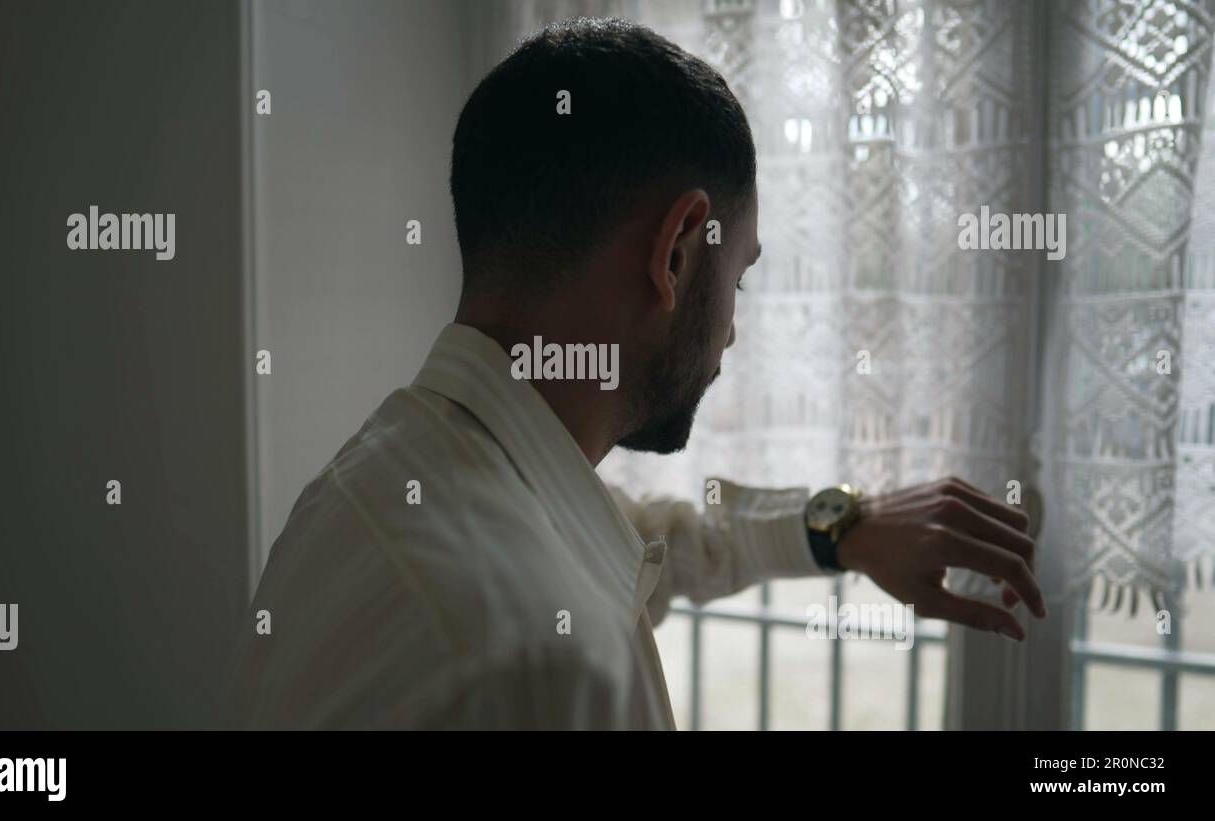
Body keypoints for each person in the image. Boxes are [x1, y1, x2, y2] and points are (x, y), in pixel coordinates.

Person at [221, 17, 1045, 730]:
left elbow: (651, 540)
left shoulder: (392, 477)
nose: (733, 328)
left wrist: (841, 529)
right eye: (741, 277)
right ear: (678, 253)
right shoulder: (545, 664)